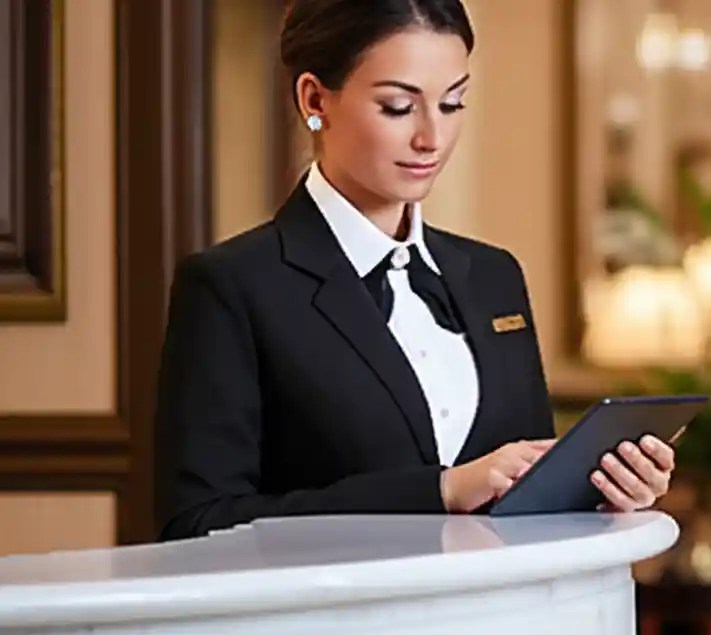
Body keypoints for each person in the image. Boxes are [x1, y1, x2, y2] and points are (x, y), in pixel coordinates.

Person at [154, 0, 676, 541]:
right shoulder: (231, 287)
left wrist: (604, 494)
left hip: (500, 622)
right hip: (342, 624)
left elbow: (524, 502)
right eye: (399, 107)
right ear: (314, 99)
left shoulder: (494, 276)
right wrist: (439, 490)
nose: (432, 138)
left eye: (452, 104)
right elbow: (197, 524)